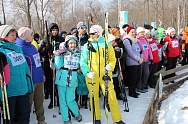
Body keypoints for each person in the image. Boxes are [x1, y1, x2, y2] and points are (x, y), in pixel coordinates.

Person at [80, 25, 125, 124]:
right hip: (92, 75)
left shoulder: (107, 44)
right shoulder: (87, 45)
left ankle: (117, 119)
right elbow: (83, 61)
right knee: (93, 97)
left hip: (105, 74)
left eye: (93, 33)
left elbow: (112, 59)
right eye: (90, 33)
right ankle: (96, 118)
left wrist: (110, 66)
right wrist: (87, 72)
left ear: (99, 33)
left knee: (111, 96)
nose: (91, 35)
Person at [0, 25, 33, 124]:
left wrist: (29, 83)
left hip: (23, 89)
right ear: (4, 36)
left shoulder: (18, 49)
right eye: (12, 35)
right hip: (10, 92)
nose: (15, 37)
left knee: (25, 115)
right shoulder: (1, 51)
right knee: (11, 118)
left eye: (15, 35)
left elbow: (25, 68)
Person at [16, 27, 46, 124]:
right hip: (29, 81)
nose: (33, 36)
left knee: (39, 102)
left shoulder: (32, 46)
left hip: (38, 78)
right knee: (27, 104)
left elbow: (38, 62)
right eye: (31, 34)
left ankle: (41, 120)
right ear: (25, 36)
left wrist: (42, 73)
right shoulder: (19, 48)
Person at [54, 35, 82, 124]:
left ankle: (76, 113)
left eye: (74, 43)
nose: (72, 45)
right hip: (62, 78)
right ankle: (66, 118)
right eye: (70, 43)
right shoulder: (63, 53)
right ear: (67, 44)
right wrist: (57, 56)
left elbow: (81, 65)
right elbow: (57, 66)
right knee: (62, 100)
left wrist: (80, 68)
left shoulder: (79, 53)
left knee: (70, 99)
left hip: (73, 79)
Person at [39, 22, 64, 109]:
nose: (55, 32)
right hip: (48, 63)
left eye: (56, 30)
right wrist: (47, 48)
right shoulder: (45, 40)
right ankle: (52, 99)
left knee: (58, 82)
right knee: (50, 83)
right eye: (53, 30)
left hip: (58, 62)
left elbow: (65, 50)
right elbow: (41, 52)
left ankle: (59, 100)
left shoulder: (61, 39)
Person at [123, 26, 143, 98]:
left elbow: (140, 50)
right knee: (133, 78)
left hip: (138, 62)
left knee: (137, 77)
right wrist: (138, 58)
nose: (133, 33)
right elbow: (130, 52)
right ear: (128, 32)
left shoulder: (136, 40)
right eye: (132, 32)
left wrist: (141, 57)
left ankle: (134, 90)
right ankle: (131, 92)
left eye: (134, 32)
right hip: (131, 62)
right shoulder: (127, 40)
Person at [76, 22, 89, 109]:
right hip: (76, 63)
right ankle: (76, 100)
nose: (84, 29)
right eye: (82, 27)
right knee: (77, 83)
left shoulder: (88, 39)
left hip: (84, 63)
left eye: (85, 27)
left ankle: (84, 100)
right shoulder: (75, 38)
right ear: (78, 29)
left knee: (84, 83)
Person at [136, 27, 153, 92]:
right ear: (138, 33)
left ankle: (144, 85)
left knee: (146, 73)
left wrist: (151, 57)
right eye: (141, 33)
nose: (142, 34)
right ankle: (139, 87)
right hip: (140, 60)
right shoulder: (137, 40)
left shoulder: (145, 40)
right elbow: (138, 50)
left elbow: (149, 49)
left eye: (143, 33)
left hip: (146, 59)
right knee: (140, 74)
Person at [108, 34, 122, 100]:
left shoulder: (115, 47)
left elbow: (118, 57)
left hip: (115, 67)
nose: (114, 42)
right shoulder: (106, 48)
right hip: (108, 68)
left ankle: (117, 94)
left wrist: (117, 51)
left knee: (116, 82)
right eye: (112, 41)